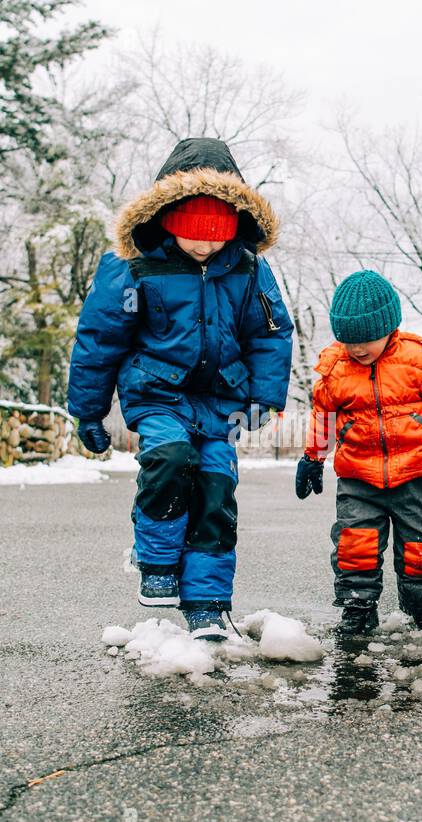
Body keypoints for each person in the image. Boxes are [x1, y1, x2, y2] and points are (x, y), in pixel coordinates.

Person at [68, 137, 293, 637]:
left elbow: (270, 332)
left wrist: (265, 395)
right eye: (195, 237)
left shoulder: (248, 268)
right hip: (158, 394)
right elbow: (100, 339)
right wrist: (88, 410)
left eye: (215, 238)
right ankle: (157, 563)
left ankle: (207, 603)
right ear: (168, 219)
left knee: (216, 487)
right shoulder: (134, 266)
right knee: (171, 459)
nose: (205, 248)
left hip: (220, 401)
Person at [295, 270, 422, 635]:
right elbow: (324, 417)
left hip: (417, 475)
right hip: (359, 477)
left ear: (389, 327)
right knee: (355, 545)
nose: (358, 348)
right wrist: (312, 458)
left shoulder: (416, 359)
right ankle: (357, 607)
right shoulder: (334, 370)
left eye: (366, 339)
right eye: (349, 340)